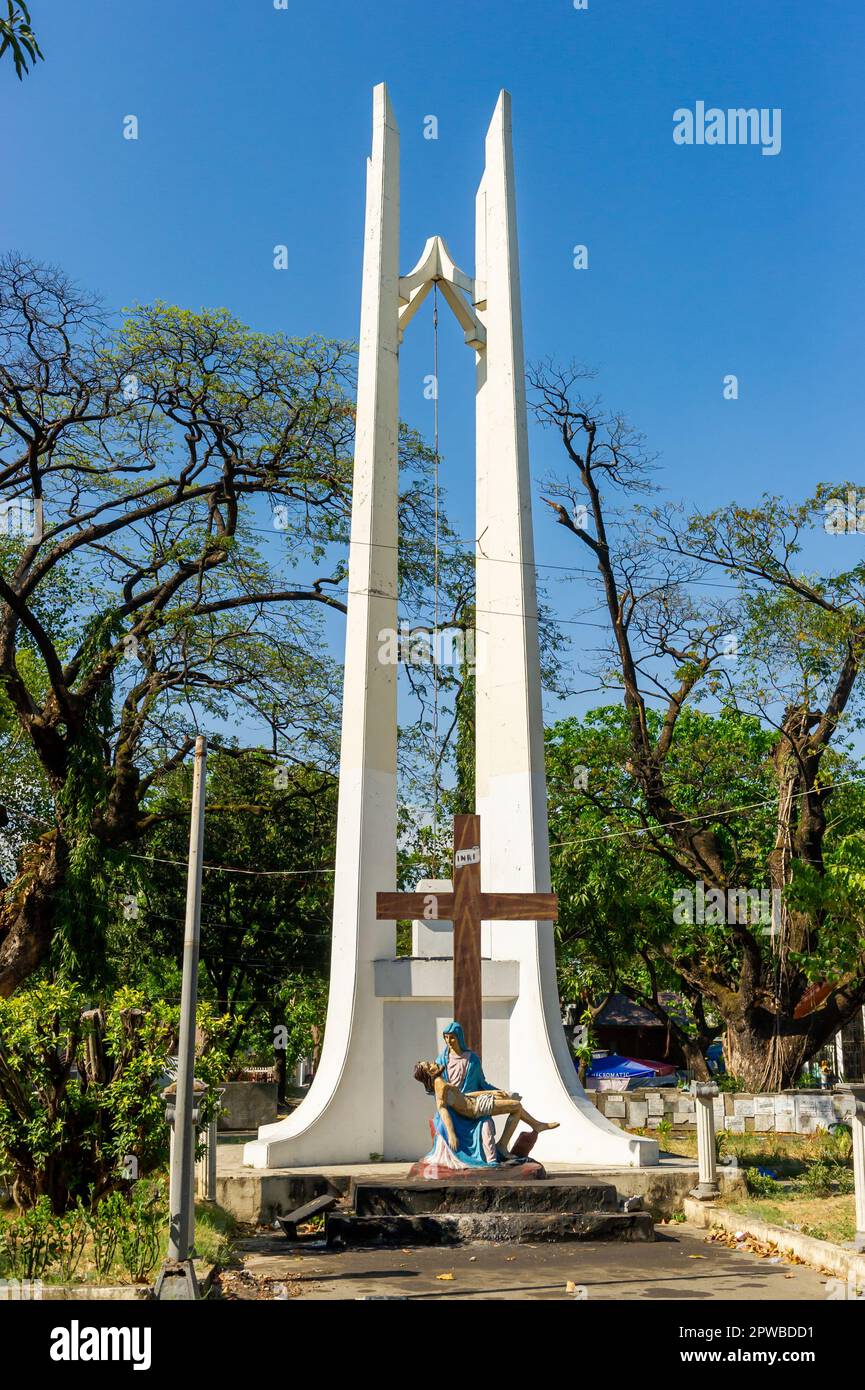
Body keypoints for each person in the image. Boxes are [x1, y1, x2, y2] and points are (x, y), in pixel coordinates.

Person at [413, 1021, 559, 1167]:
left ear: (459, 1037)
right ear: (430, 1072)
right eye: (446, 1037)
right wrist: (451, 1132)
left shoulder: (472, 1060)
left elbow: (478, 1086)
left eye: (452, 1037)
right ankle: (519, 1135)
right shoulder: (441, 1063)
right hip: (466, 1109)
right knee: (514, 1107)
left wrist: (498, 1092)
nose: (449, 1041)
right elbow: (442, 1103)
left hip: (474, 1099)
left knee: (505, 1109)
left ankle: (513, 1139)